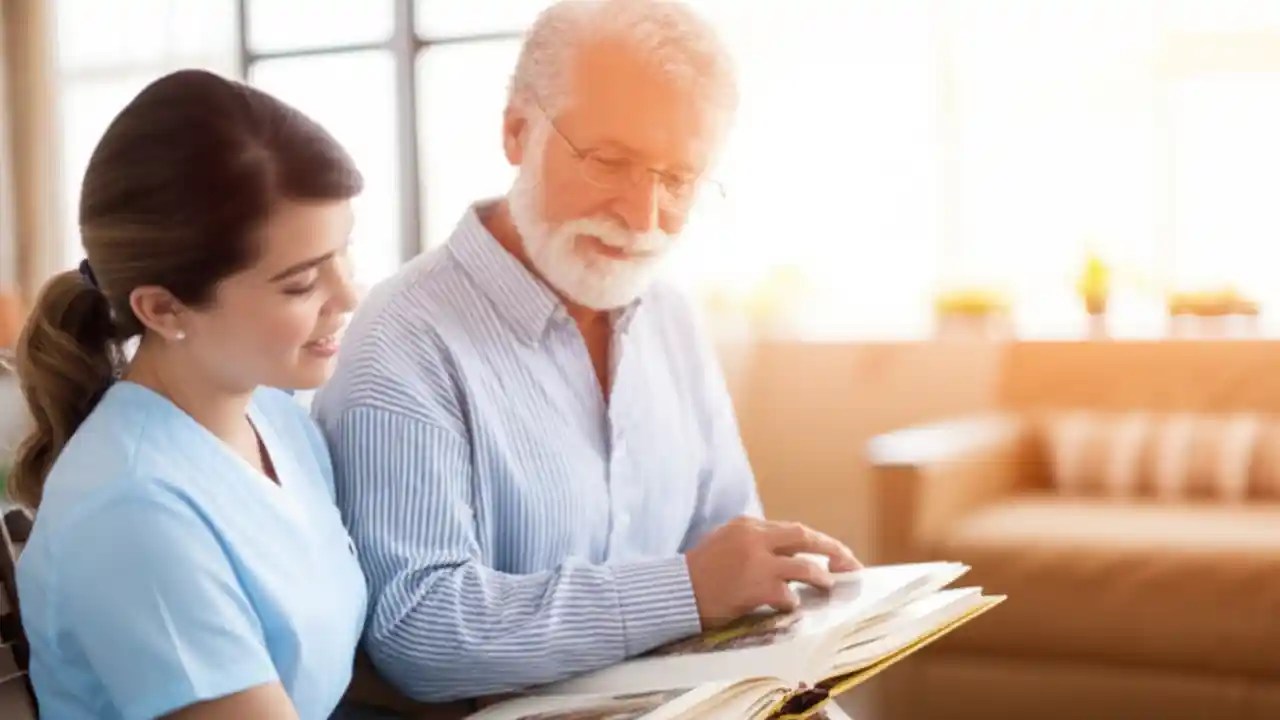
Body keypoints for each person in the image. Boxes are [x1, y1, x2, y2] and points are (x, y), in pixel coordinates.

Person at [313, 0, 860, 703]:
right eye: (611, 161)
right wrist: (685, 590)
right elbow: (420, 632)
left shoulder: (671, 317)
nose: (644, 218)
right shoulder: (402, 342)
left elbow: (728, 538)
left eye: (678, 180)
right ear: (517, 131)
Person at [11, 69, 368, 719]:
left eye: (345, 254)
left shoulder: (276, 419)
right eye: (300, 283)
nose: (349, 296)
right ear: (164, 309)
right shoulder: (133, 512)